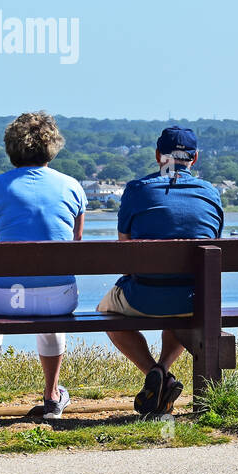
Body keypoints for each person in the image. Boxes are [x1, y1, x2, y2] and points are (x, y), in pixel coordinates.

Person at [0, 112, 86, 419]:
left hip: (6, 297)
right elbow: (78, 246)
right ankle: (53, 396)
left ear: (11, 148)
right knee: (52, 308)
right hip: (59, 297)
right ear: (52, 146)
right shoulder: (72, 187)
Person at [99, 126, 223, 417]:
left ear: (158, 156)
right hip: (194, 299)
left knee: (104, 311)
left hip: (143, 298)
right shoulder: (211, 193)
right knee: (181, 294)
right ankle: (164, 368)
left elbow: (124, 248)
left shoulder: (137, 190)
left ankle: (155, 372)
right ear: (194, 158)